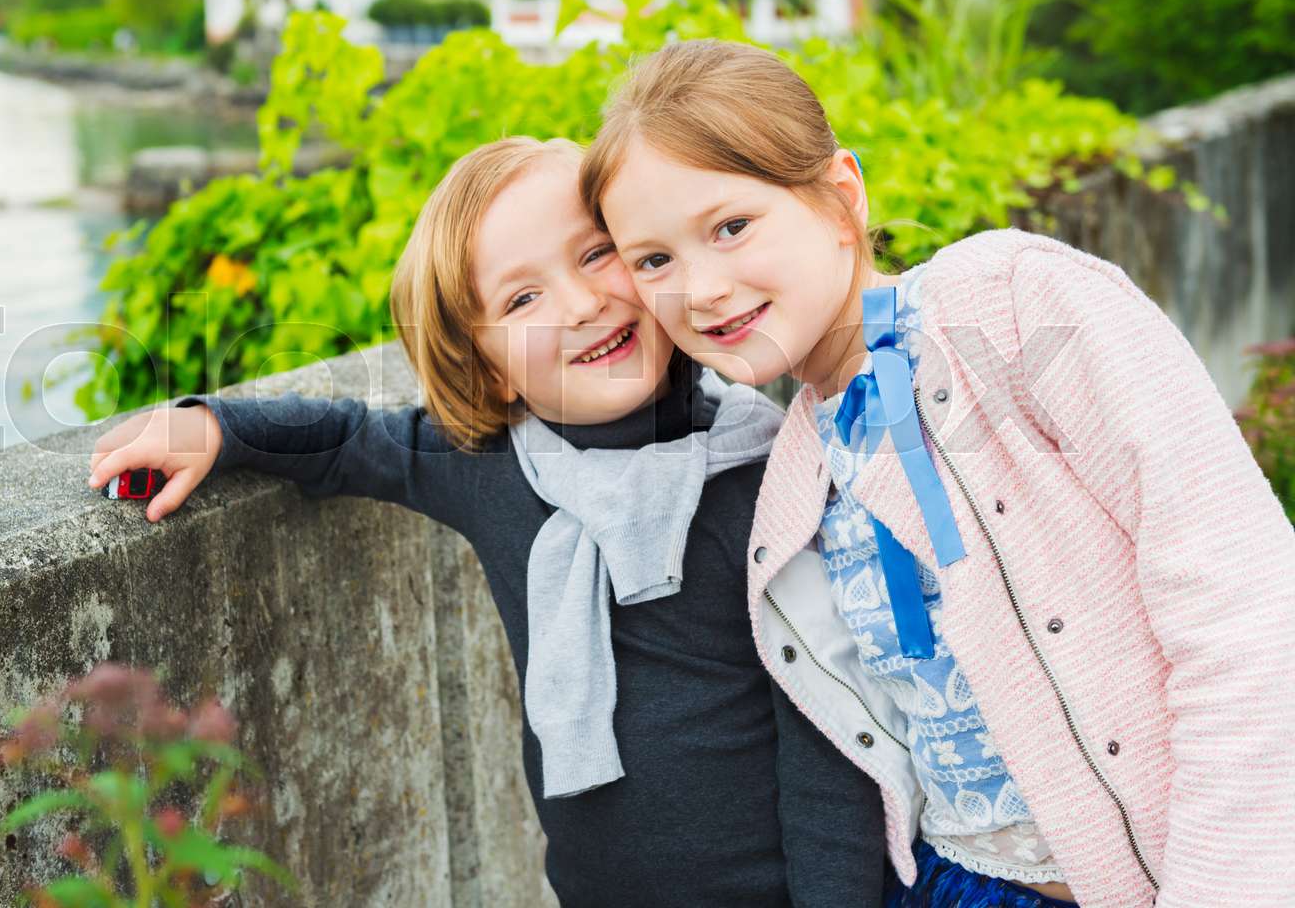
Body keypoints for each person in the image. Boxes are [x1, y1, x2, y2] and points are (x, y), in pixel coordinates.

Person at [579, 38, 1295, 908]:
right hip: (955, 886)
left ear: (841, 200)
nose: (700, 288)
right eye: (653, 260)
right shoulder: (791, 468)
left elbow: (1248, 610)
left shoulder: (1012, 303)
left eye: (731, 226)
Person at [86, 136, 888, 907]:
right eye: (522, 297)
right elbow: (344, 439)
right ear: (489, 371)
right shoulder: (489, 469)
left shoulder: (767, 477)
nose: (580, 303)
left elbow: (831, 739)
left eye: (596, 253)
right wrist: (217, 426)